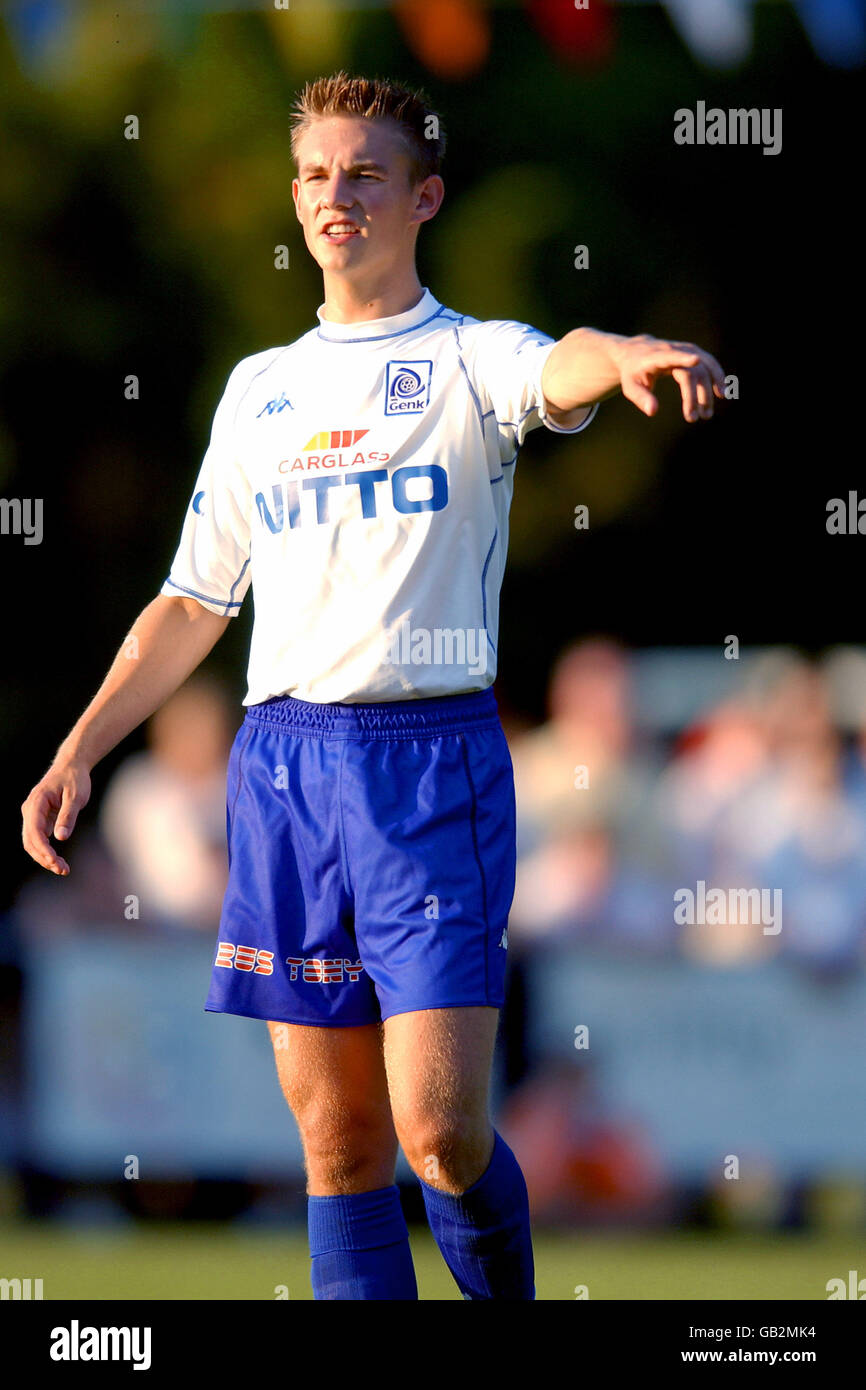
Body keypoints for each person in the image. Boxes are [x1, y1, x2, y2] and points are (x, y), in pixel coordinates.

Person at [20, 72, 725, 1300]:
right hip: (282, 769)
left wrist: (622, 359)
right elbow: (194, 601)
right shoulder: (258, 390)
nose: (334, 194)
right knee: (336, 1142)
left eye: (364, 173)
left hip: (428, 766)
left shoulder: (467, 358)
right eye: (315, 174)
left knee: (437, 1134)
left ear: (422, 196)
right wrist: (80, 744)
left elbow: (561, 362)